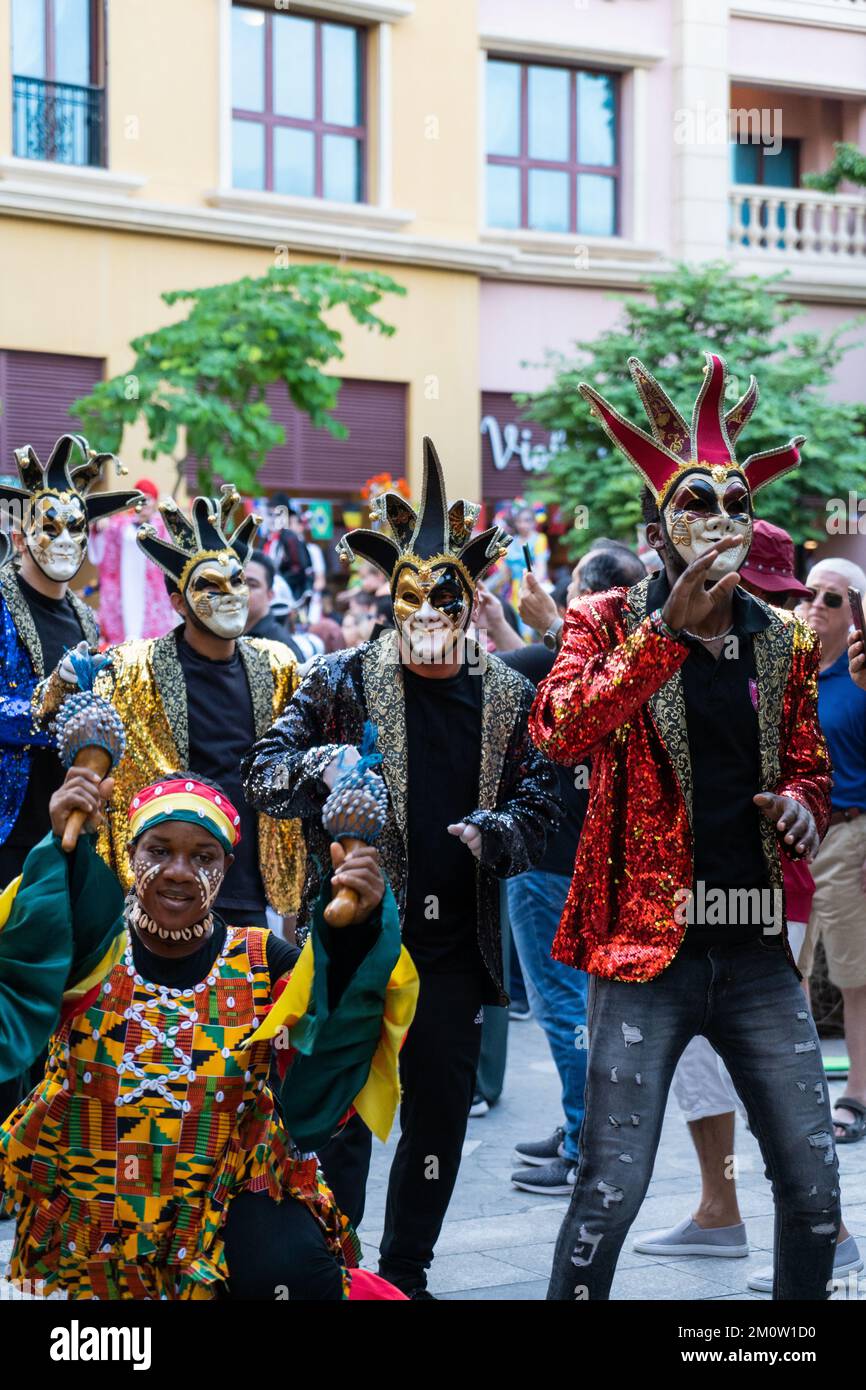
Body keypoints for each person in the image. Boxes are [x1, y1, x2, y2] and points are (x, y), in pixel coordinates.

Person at [532, 351, 839, 1302]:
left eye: (738, 505)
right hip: (645, 951)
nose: (722, 525)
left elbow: (807, 767)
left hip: (751, 944)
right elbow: (559, 730)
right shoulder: (606, 618)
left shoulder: (779, 638)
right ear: (661, 520)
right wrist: (662, 633)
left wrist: (800, 808)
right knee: (611, 1188)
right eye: (700, 504)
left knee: (815, 1190)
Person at [242, 438, 562, 1298]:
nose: (425, 612)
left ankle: (406, 1272)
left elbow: (546, 803)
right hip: (355, 938)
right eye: (410, 595)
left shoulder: (508, 694)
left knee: (437, 1115)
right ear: (390, 598)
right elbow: (264, 770)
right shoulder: (340, 678)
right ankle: (333, 1269)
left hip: (454, 946)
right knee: (340, 1113)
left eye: (443, 597)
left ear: (468, 603)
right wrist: (331, 770)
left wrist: (499, 832)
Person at [0, 764, 417, 1299]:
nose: (178, 871)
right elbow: (24, 962)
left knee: (287, 1274)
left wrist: (354, 936)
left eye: (202, 857)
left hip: (229, 1184)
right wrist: (60, 852)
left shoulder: (265, 959)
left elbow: (327, 1054)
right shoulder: (90, 944)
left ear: (227, 868)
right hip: (94, 1188)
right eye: (159, 850)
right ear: (129, 856)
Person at [632, 520, 861, 1291]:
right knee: (705, 1063)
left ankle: (825, 1235)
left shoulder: (782, 656)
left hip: (767, 895)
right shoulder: (695, 640)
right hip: (689, 893)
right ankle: (719, 1209)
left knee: (770, 1070)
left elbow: (810, 777)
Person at [34, 488, 305, 935]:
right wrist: (64, 679)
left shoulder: (278, 665)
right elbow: (47, 713)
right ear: (179, 602)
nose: (230, 595)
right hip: (162, 889)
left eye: (237, 581)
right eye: (209, 587)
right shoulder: (131, 665)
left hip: (249, 887)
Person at [498, 544, 648, 1195]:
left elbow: (504, 675)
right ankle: (578, 1128)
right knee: (585, 1008)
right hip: (600, 859)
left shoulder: (570, 663)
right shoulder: (640, 668)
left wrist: (543, 627)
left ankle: (588, 1143)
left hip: (550, 861)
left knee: (564, 1010)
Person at [0, 435, 142, 1119]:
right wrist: (43, 705)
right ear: (21, 527)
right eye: (48, 522)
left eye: (75, 525)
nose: (62, 536)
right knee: (9, 977)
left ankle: (42, 1138)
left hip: (71, 825)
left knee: (59, 974)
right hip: (9, 824)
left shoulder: (87, 617)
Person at [798, 556, 866, 1146]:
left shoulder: (862, 678)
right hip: (793, 838)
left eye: (833, 598)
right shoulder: (787, 671)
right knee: (784, 970)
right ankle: (795, 1093)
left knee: (854, 974)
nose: (817, 604)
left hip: (849, 835)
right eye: (810, 593)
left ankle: (858, 1094)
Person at [88, 477, 178, 644]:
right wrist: (99, 525)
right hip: (125, 586)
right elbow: (101, 539)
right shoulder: (120, 525)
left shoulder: (163, 528)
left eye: (147, 500)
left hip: (152, 592)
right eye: (140, 500)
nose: (143, 504)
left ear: (155, 501)